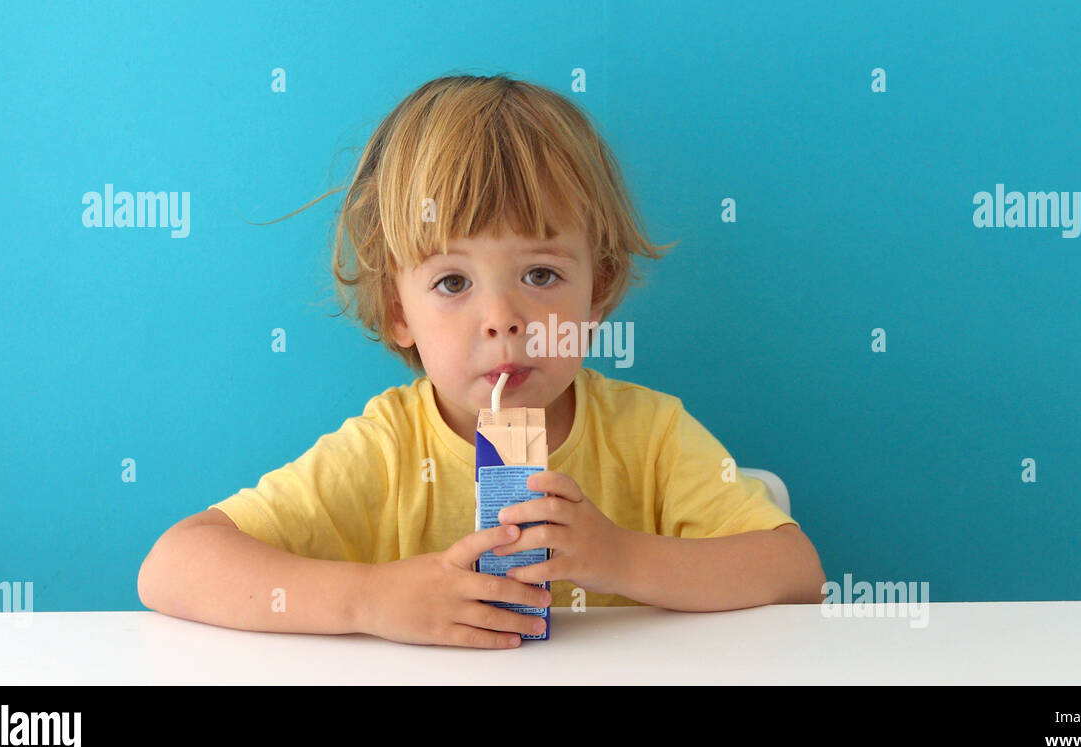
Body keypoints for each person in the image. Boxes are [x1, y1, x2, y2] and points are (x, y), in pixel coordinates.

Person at [138, 72, 825, 649]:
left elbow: (795, 569)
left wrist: (620, 556)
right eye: (453, 283)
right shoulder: (385, 452)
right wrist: (372, 600)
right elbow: (172, 565)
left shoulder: (650, 438)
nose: (503, 319)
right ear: (397, 310)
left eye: (542, 275)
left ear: (600, 290)